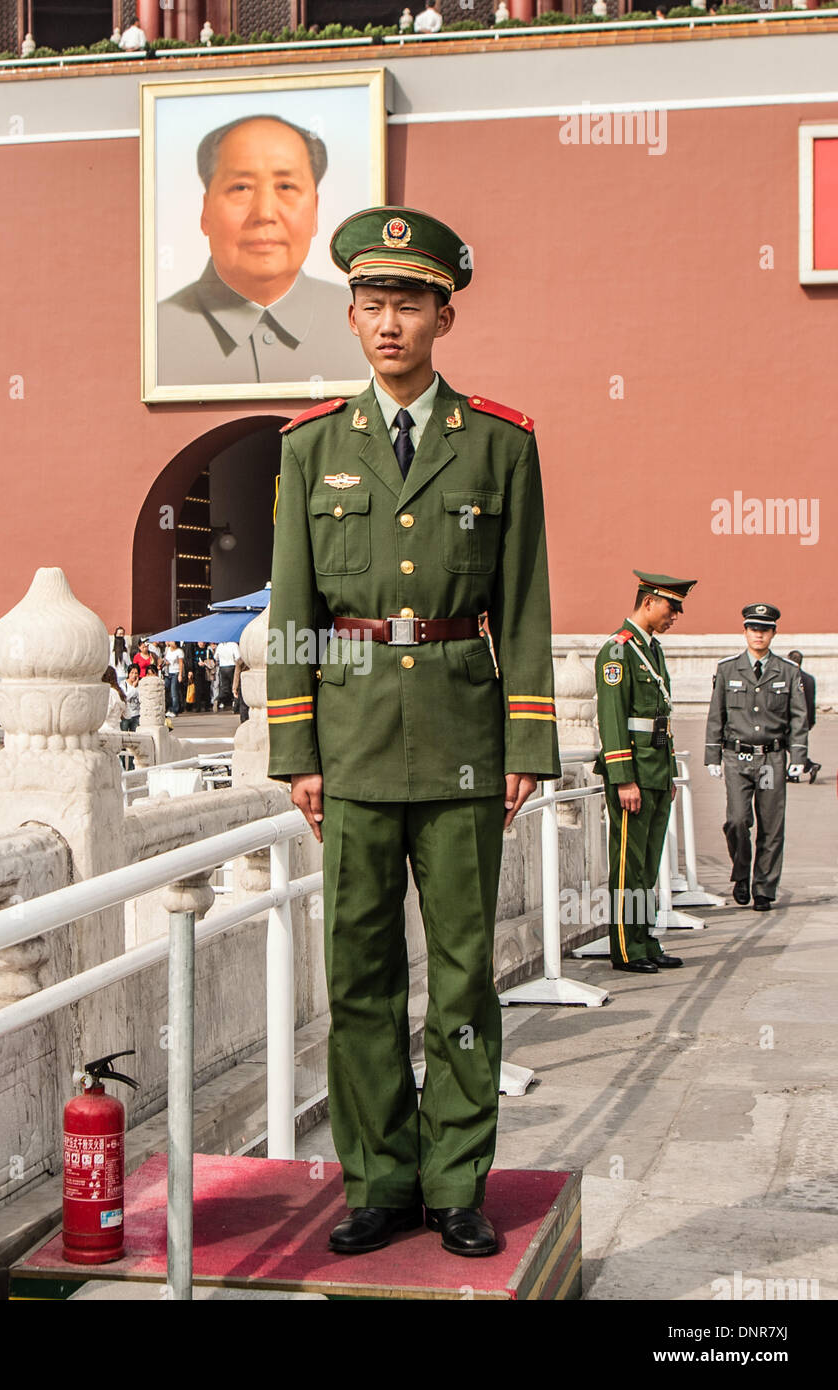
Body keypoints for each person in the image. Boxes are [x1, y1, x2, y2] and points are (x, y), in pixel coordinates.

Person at [267, 205, 559, 1259]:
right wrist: (294, 748)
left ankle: (455, 1180)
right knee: (355, 970)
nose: (386, 322)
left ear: (444, 314)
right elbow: (295, 605)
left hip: (461, 739)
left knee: (464, 971)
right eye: (370, 303)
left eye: (407, 303)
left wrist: (527, 741)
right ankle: (378, 1177)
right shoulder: (309, 448)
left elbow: (521, 601)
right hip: (346, 743)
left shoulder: (498, 442)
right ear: (349, 316)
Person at [156, 116, 367, 387]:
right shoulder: (156, 333)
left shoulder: (365, 326)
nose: (265, 213)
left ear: (314, 210)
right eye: (241, 187)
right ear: (205, 212)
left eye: (286, 187)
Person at [594, 572, 697, 975]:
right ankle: (625, 946)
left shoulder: (651, 650)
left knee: (649, 865)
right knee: (627, 865)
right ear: (649, 602)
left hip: (655, 774)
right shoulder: (617, 652)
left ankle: (645, 938)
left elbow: (660, 721)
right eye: (672, 607)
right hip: (633, 777)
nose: (675, 616)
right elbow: (614, 720)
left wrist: (668, 774)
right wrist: (624, 780)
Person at [704, 604, 809, 911]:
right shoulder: (727, 669)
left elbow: (798, 717)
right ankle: (741, 874)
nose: (758, 634)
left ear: (773, 633)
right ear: (745, 631)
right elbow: (716, 715)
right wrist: (712, 755)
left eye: (764, 630)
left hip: (770, 759)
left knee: (770, 825)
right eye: (753, 629)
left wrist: (798, 754)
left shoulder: (788, 672)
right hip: (737, 759)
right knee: (737, 820)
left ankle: (763, 887)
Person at [785, 650, 821, 783]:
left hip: (790, 719)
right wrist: (811, 720)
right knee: (796, 744)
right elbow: (811, 701)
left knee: (788, 744)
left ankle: (809, 766)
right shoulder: (809, 679)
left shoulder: (788, 677)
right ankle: (793, 774)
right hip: (805, 719)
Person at [214, 638, 240, 710]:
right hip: (232, 666)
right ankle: (235, 705)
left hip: (222, 667)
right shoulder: (234, 645)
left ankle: (218, 699)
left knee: (225, 688)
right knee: (235, 686)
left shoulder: (220, 645)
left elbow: (215, 657)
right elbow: (238, 657)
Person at [164, 642, 185, 716]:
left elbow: (181, 663)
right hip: (167, 672)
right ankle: (169, 708)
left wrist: (180, 674)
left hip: (175, 672)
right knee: (167, 690)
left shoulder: (179, 651)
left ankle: (175, 709)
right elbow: (165, 658)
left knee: (174, 692)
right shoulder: (167, 649)